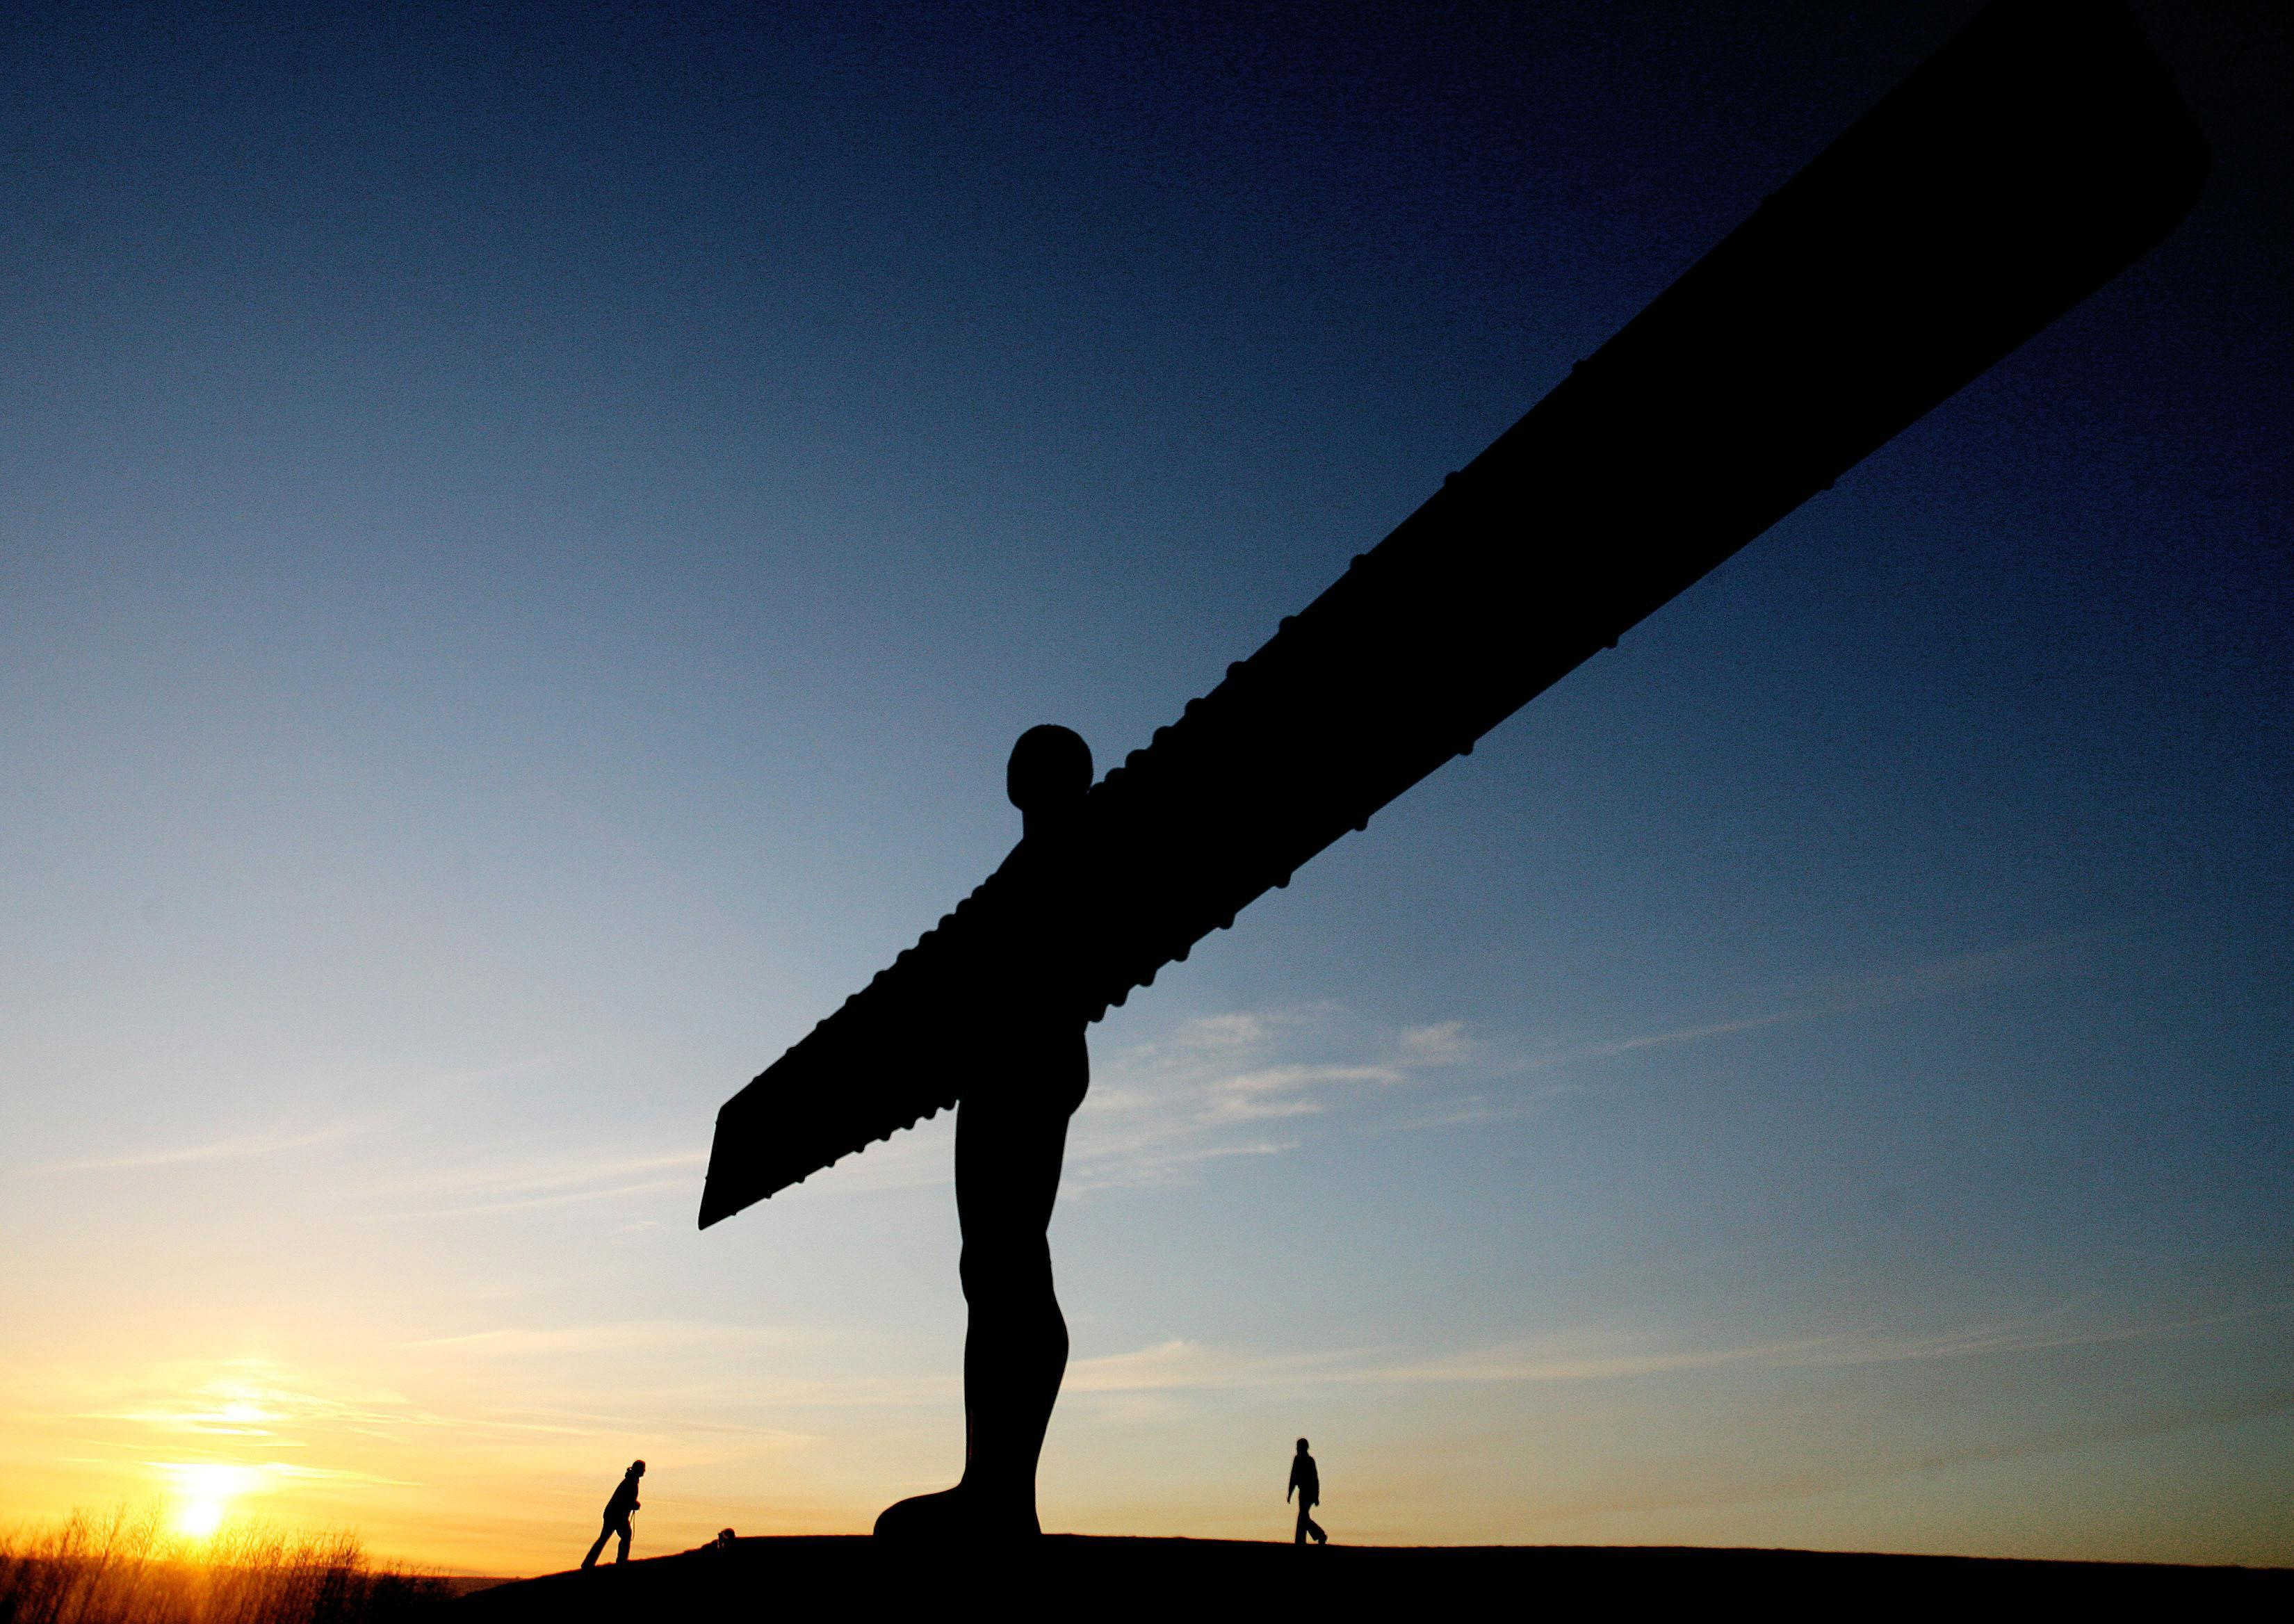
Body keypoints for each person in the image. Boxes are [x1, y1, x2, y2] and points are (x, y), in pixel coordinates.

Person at [874, 726, 1094, 1544]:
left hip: (1027, 1059)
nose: (1015, 773)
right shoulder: (1028, 867)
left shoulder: (1071, 851)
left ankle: (1001, 1490)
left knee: (1007, 1256)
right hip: (1007, 1060)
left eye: (1028, 761)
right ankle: (994, 1482)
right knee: (994, 1261)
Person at [581, 1460, 645, 1569]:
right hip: (617, 1515)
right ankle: (621, 1561)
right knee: (625, 1535)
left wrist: (633, 1504)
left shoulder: (630, 1480)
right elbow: (625, 1500)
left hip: (613, 1514)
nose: (644, 1471)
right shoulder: (631, 1482)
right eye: (643, 1469)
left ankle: (588, 1563)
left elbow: (626, 1499)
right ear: (638, 1470)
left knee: (606, 1538)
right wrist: (635, 1504)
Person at [1288, 1438, 1327, 1545]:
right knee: (1303, 1516)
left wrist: (1316, 1496)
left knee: (1303, 1516)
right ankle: (1302, 1540)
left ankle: (1319, 1535)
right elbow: (1294, 1477)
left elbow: (1315, 1479)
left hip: (1309, 1492)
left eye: (1299, 1447)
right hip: (1303, 1492)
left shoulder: (1310, 1461)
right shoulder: (1298, 1460)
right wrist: (1290, 1492)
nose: (1297, 1449)